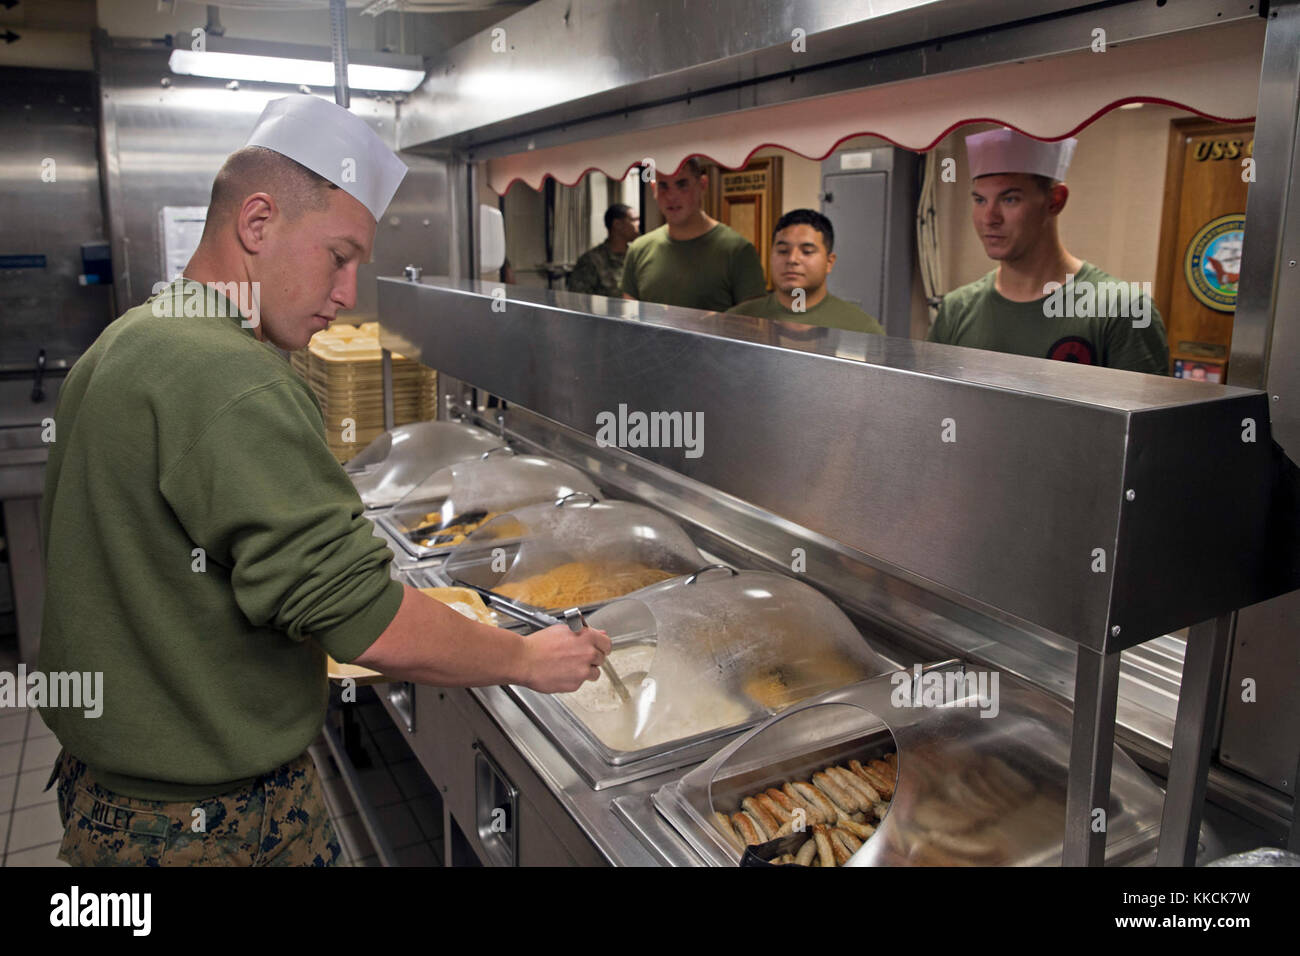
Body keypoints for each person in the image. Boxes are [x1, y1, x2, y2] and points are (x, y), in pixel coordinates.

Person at [37, 94, 609, 867]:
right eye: (338, 257)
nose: (345, 296)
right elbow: (366, 620)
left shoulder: (128, 340)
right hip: (206, 824)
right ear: (258, 222)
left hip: (110, 800)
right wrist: (527, 659)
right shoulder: (230, 376)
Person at [927, 128, 1170, 374]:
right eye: (980, 200)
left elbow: (1146, 412)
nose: (989, 218)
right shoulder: (956, 309)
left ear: (1055, 200)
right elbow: (934, 405)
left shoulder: (1122, 311)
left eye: (1009, 199)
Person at [621, 157, 766, 311]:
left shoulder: (738, 251)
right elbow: (631, 321)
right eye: (663, 186)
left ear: (702, 184)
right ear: (653, 189)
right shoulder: (638, 250)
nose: (671, 196)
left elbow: (754, 323)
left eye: (682, 184)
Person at [727, 209, 884, 334]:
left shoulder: (861, 328)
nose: (792, 259)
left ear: (829, 262)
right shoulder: (737, 320)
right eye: (782, 251)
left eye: (807, 251)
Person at [568, 202, 640, 297]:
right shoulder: (591, 261)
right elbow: (579, 300)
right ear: (617, 224)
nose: (638, 224)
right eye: (634, 220)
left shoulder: (637, 257)